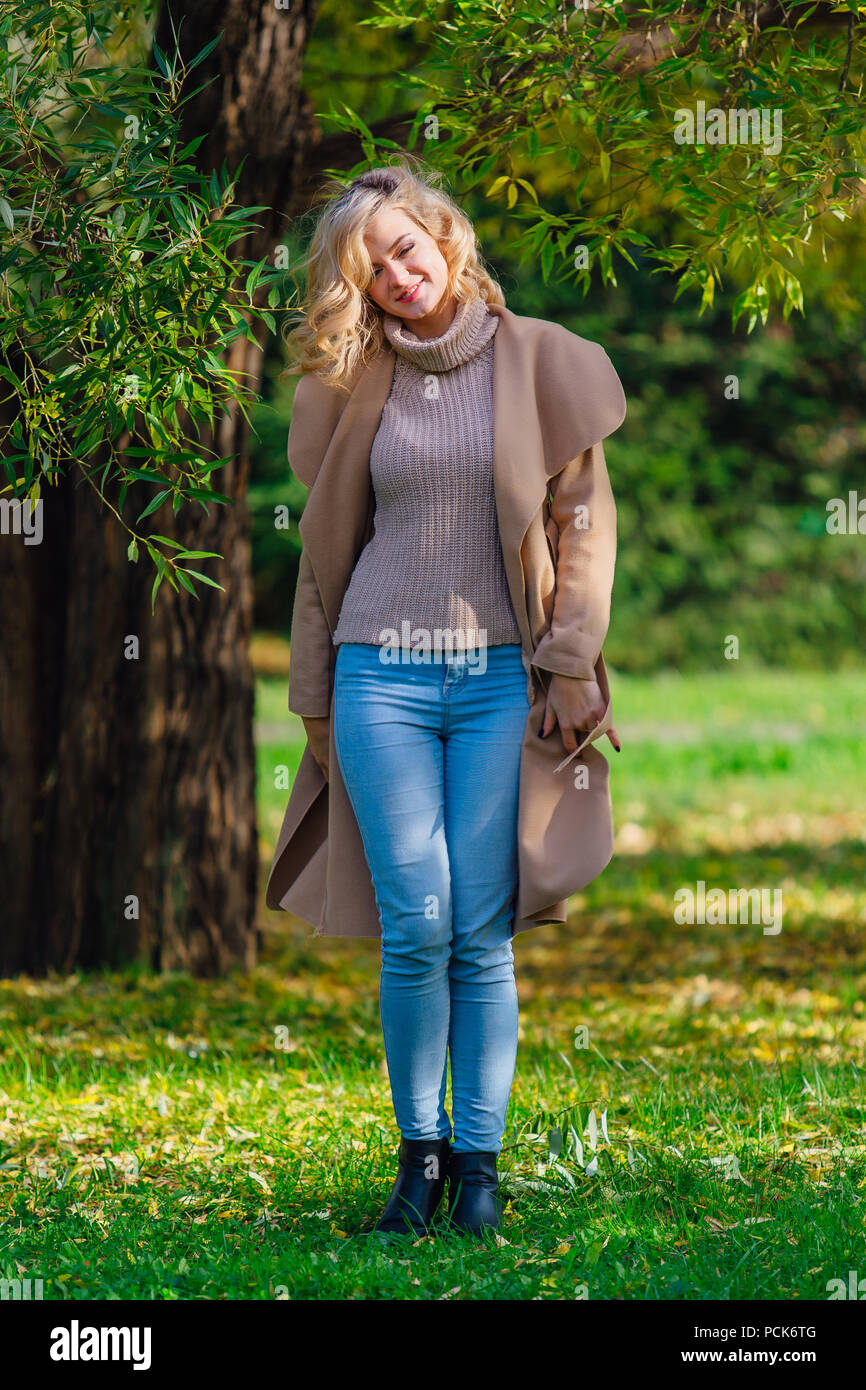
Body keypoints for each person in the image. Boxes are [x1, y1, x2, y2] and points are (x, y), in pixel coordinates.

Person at [274, 156, 625, 1238]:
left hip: (490, 683)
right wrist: (312, 689)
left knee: (479, 926)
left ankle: (478, 1167)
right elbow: (324, 559)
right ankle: (415, 1158)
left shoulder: (536, 363)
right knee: (414, 919)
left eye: (403, 249)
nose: (391, 275)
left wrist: (569, 660)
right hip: (378, 670)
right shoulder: (348, 384)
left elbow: (581, 531)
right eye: (366, 267)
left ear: (446, 239)